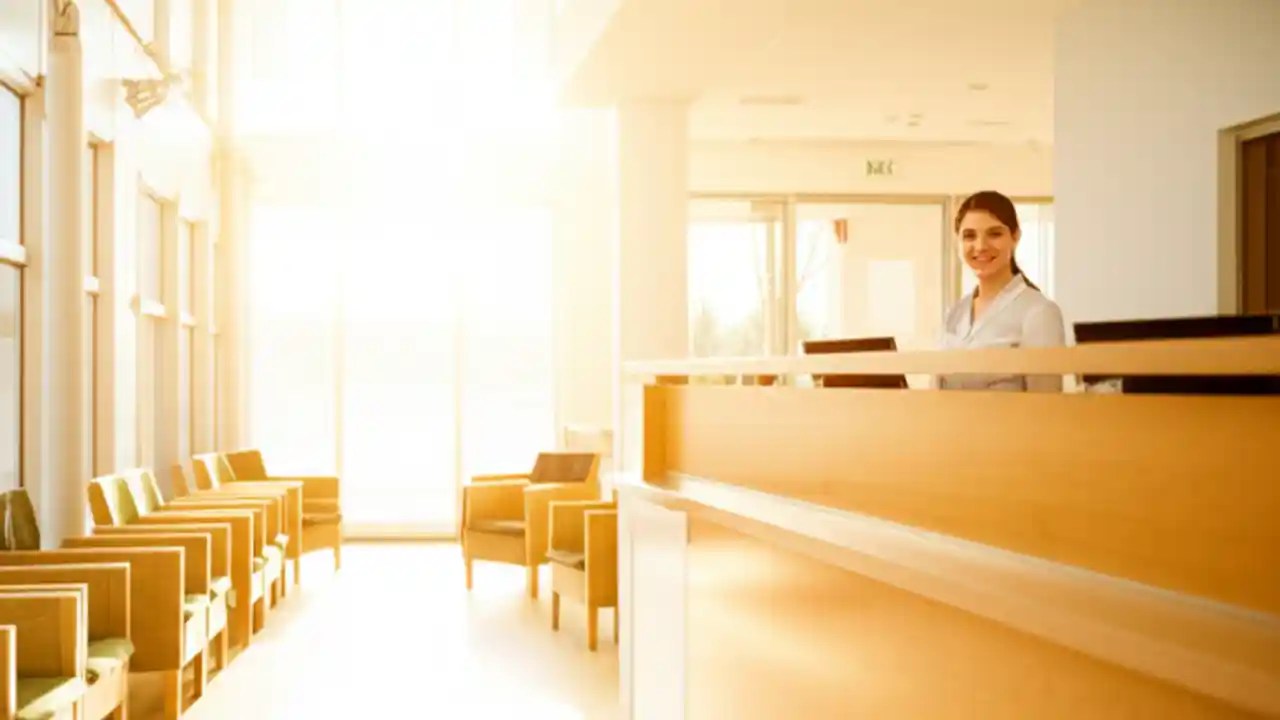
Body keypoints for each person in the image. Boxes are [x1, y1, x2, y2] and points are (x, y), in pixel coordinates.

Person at [938, 190, 1066, 391]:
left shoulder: (1039, 312)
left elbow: (1046, 403)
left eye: (994, 234)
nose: (980, 246)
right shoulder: (954, 314)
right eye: (969, 236)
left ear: (1015, 237)